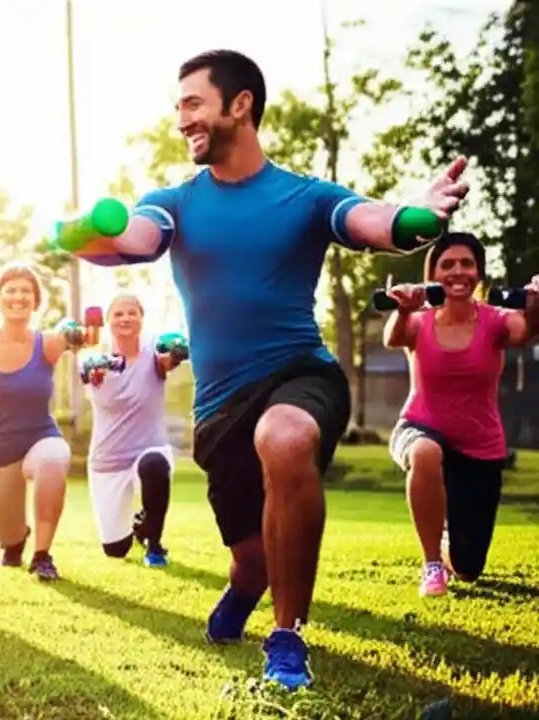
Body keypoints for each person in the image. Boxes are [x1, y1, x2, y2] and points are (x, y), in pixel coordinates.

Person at [70, 49, 469, 688]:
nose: (182, 121)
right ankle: (247, 588)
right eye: (179, 109)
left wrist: (420, 213)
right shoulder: (174, 201)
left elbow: (375, 223)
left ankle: (287, 637)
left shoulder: (304, 197)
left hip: (299, 373)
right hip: (220, 410)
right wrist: (89, 232)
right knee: (253, 564)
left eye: (193, 104)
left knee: (285, 439)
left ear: (240, 105)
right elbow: (135, 240)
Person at [382, 233, 538, 596]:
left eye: (466, 264)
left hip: (479, 445)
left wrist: (536, 304)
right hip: (419, 427)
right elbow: (393, 337)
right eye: (447, 264)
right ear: (433, 273)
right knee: (425, 452)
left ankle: (449, 545)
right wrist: (405, 307)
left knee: (468, 569)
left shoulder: (496, 321)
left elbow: (527, 331)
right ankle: (431, 564)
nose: (457, 271)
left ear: (479, 274)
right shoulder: (419, 321)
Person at [0, 262, 78, 582]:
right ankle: (16, 542)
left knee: (54, 459)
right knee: (9, 537)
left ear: (36, 301)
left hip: (38, 436)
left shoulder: (49, 343)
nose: (18, 297)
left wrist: (84, 334)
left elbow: (84, 337)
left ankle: (42, 556)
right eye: (10, 290)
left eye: (26, 291)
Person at [85, 294, 184, 568]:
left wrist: (172, 357)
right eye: (118, 314)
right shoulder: (96, 357)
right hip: (108, 461)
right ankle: (140, 525)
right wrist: (94, 371)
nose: (125, 318)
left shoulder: (154, 351)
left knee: (154, 464)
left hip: (149, 449)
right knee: (116, 549)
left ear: (141, 319)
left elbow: (169, 358)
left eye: (132, 313)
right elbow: (87, 373)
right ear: (108, 322)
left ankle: (154, 544)